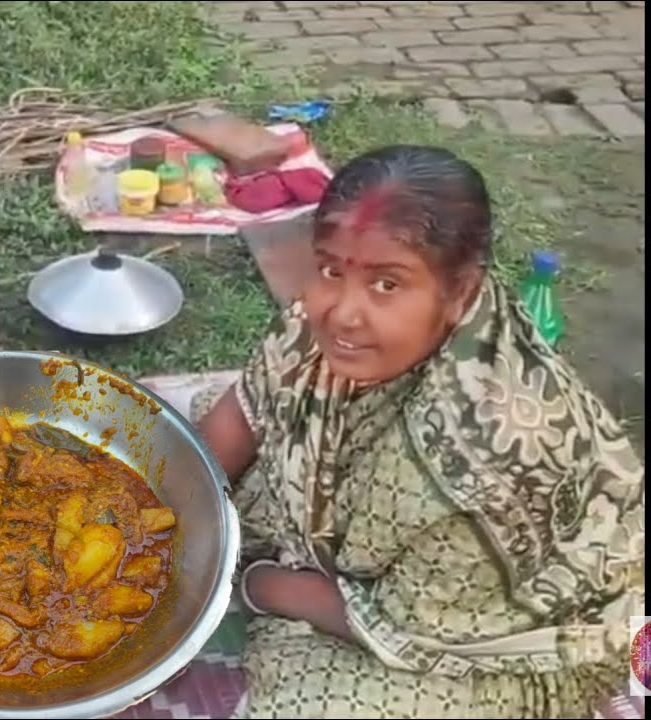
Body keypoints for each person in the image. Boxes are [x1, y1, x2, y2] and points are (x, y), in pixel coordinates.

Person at [189, 145, 645, 718]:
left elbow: (405, 627)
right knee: (200, 446)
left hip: (499, 637)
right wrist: (177, 517)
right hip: (368, 539)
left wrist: (253, 582)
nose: (343, 313)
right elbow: (247, 404)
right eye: (331, 269)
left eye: (387, 285)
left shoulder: (489, 457)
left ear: (460, 293)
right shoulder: (329, 319)